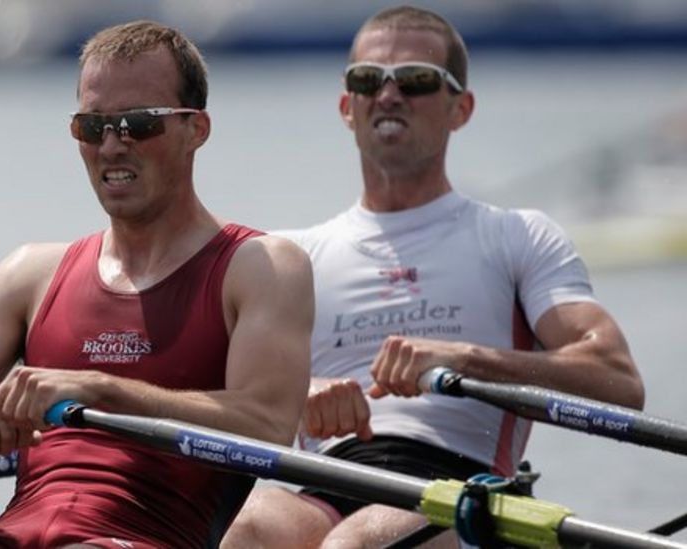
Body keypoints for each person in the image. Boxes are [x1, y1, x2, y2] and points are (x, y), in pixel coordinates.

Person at [0, 20, 314, 549]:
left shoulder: (259, 267)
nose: (111, 146)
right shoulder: (29, 274)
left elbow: (268, 426)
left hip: (146, 536)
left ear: (196, 129)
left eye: (137, 124)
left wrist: (102, 390)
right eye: (92, 126)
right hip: (16, 531)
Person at [222, 6, 644, 548]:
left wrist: (463, 359)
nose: (388, 95)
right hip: (325, 482)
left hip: (463, 489)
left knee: (357, 544)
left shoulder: (517, 236)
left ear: (460, 109)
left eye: (416, 80)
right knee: (245, 528)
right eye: (368, 80)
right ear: (347, 107)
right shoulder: (292, 256)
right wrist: (295, 392)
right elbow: (216, 386)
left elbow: (617, 379)